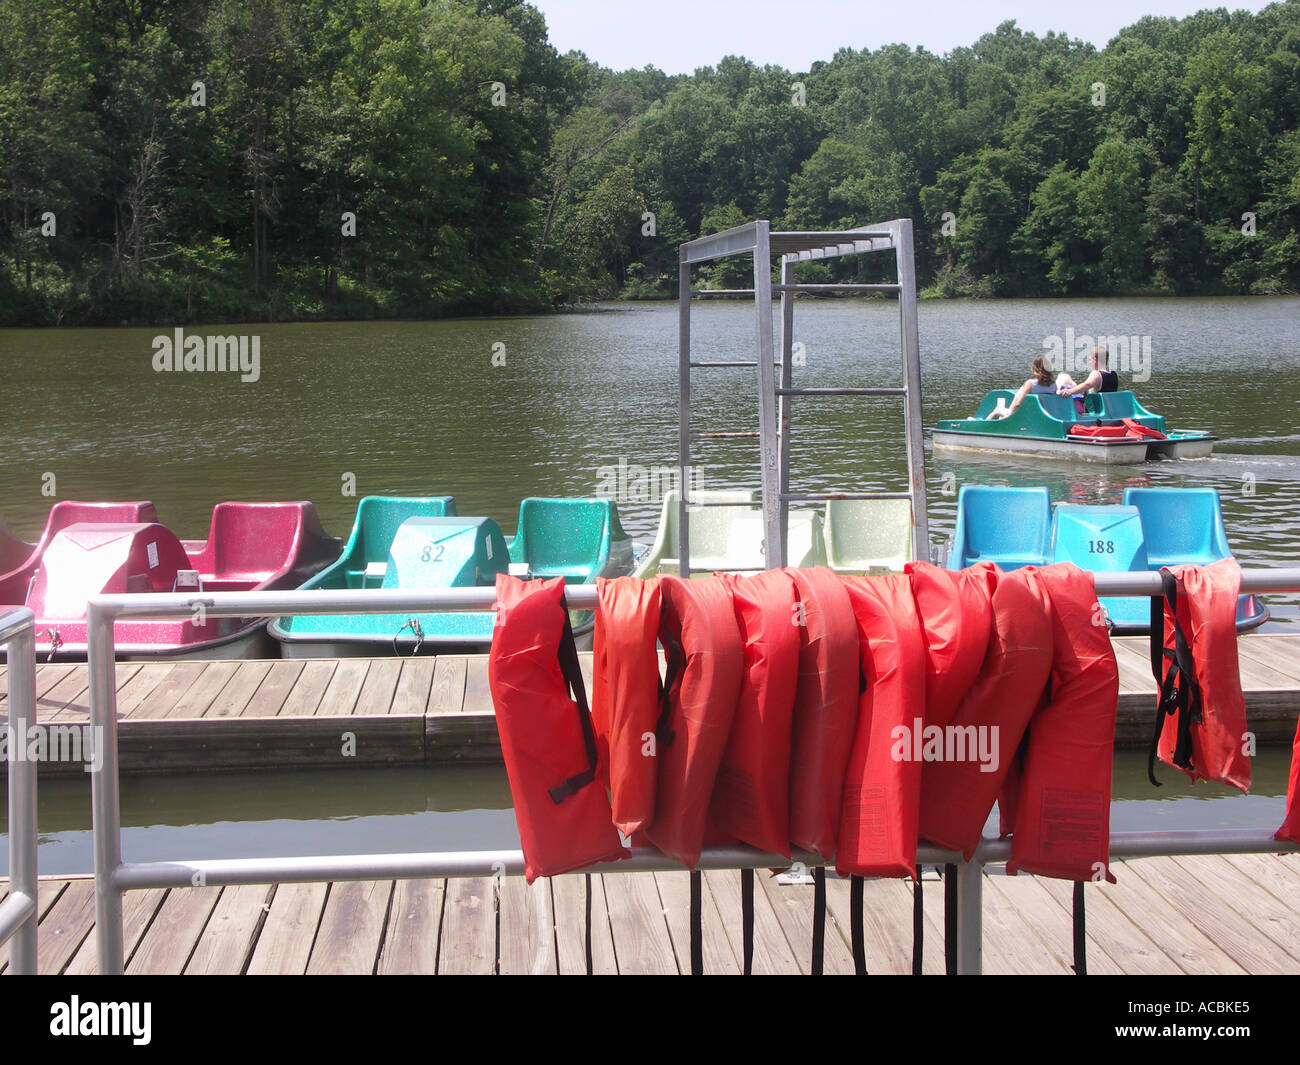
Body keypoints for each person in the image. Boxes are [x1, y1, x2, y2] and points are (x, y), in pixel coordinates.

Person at [988, 354, 1062, 419]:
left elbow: (1018, 403)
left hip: (1019, 412)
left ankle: (987, 421)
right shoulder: (1053, 386)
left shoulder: (1031, 384)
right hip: (1039, 414)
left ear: (1035, 368)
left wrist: (1010, 414)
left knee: (997, 411)